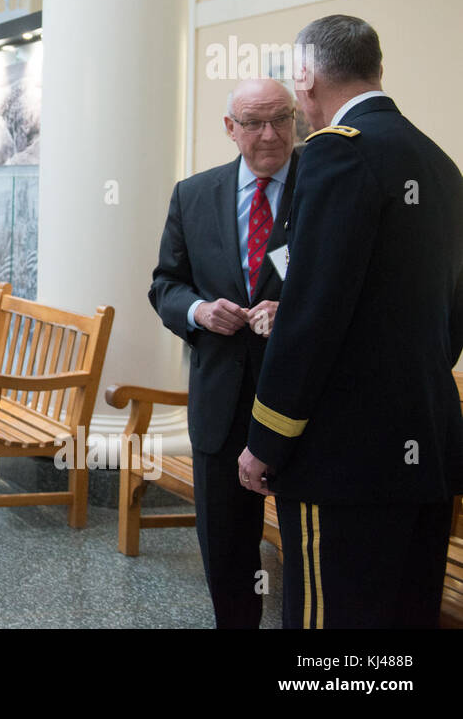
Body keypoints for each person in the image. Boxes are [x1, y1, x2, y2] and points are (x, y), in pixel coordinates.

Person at [239, 15, 463, 628]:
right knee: (401, 622)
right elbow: (442, 313)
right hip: (428, 442)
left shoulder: (336, 154)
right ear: (377, 69)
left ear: (305, 78)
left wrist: (267, 440)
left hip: (342, 456)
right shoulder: (441, 165)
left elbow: (313, 315)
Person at [148, 76, 299, 627]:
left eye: (281, 118)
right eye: (254, 122)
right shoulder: (194, 194)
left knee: (305, 554)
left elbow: (348, 287)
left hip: (301, 406)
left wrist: (294, 313)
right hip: (221, 404)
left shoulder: (323, 187)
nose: (270, 134)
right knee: (228, 554)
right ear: (229, 129)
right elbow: (165, 284)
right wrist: (199, 312)